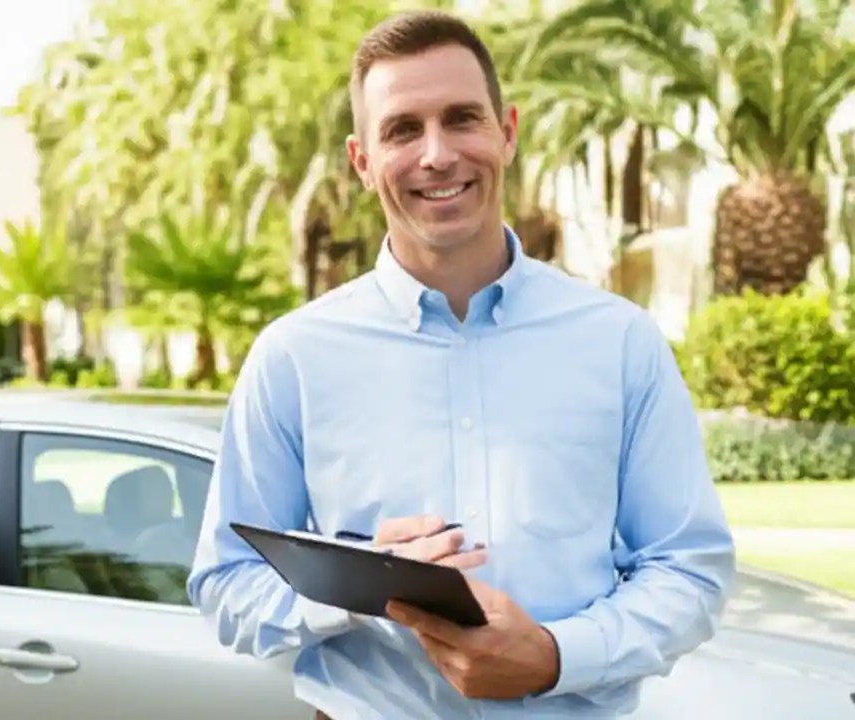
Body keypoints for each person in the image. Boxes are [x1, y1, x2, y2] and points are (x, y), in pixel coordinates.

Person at [185, 9, 736, 720]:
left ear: (505, 132)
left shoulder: (621, 343)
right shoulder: (292, 357)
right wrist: (358, 584)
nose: (437, 154)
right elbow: (226, 585)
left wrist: (555, 656)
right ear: (362, 160)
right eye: (402, 129)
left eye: (461, 119)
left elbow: (689, 568)